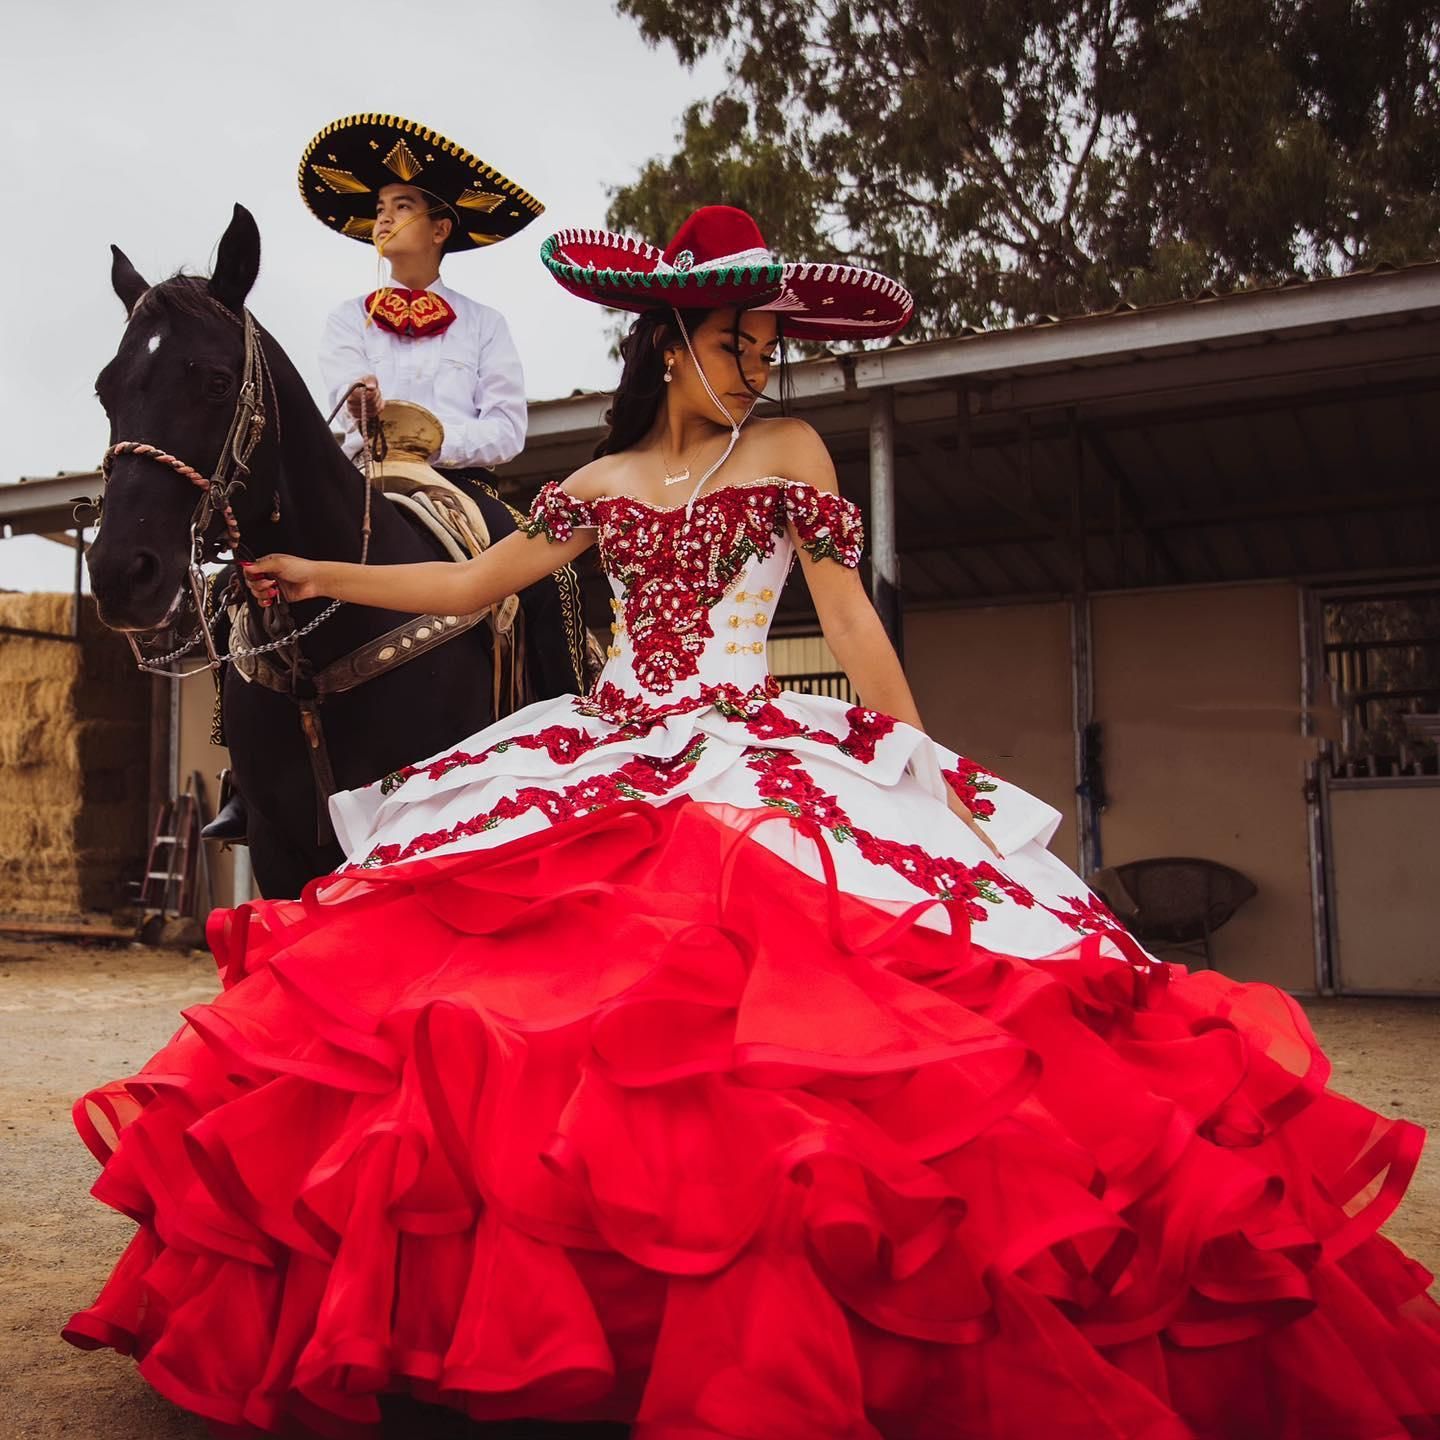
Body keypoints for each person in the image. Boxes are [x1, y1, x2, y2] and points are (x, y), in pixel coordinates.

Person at [69, 206, 1440, 1438]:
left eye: (767, 341)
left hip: (754, 739)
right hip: (609, 746)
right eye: (737, 340)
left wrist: (921, 759)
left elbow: (845, 620)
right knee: (507, 1010)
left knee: (792, 1025)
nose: (760, 362)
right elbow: (482, 580)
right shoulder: (598, 486)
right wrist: (315, 567)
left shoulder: (790, 447)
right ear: (672, 344)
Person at [203, 114, 587, 841]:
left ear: (441, 228)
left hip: (456, 484)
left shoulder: (486, 324)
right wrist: (363, 409)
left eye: (401, 207)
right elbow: (338, 414)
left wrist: (437, 439)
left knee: (550, 574)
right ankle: (243, 774)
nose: (383, 219)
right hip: (360, 479)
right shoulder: (346, 319)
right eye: (377, 209)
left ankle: (568, 729)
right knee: (241, 584)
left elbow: (507, 431)